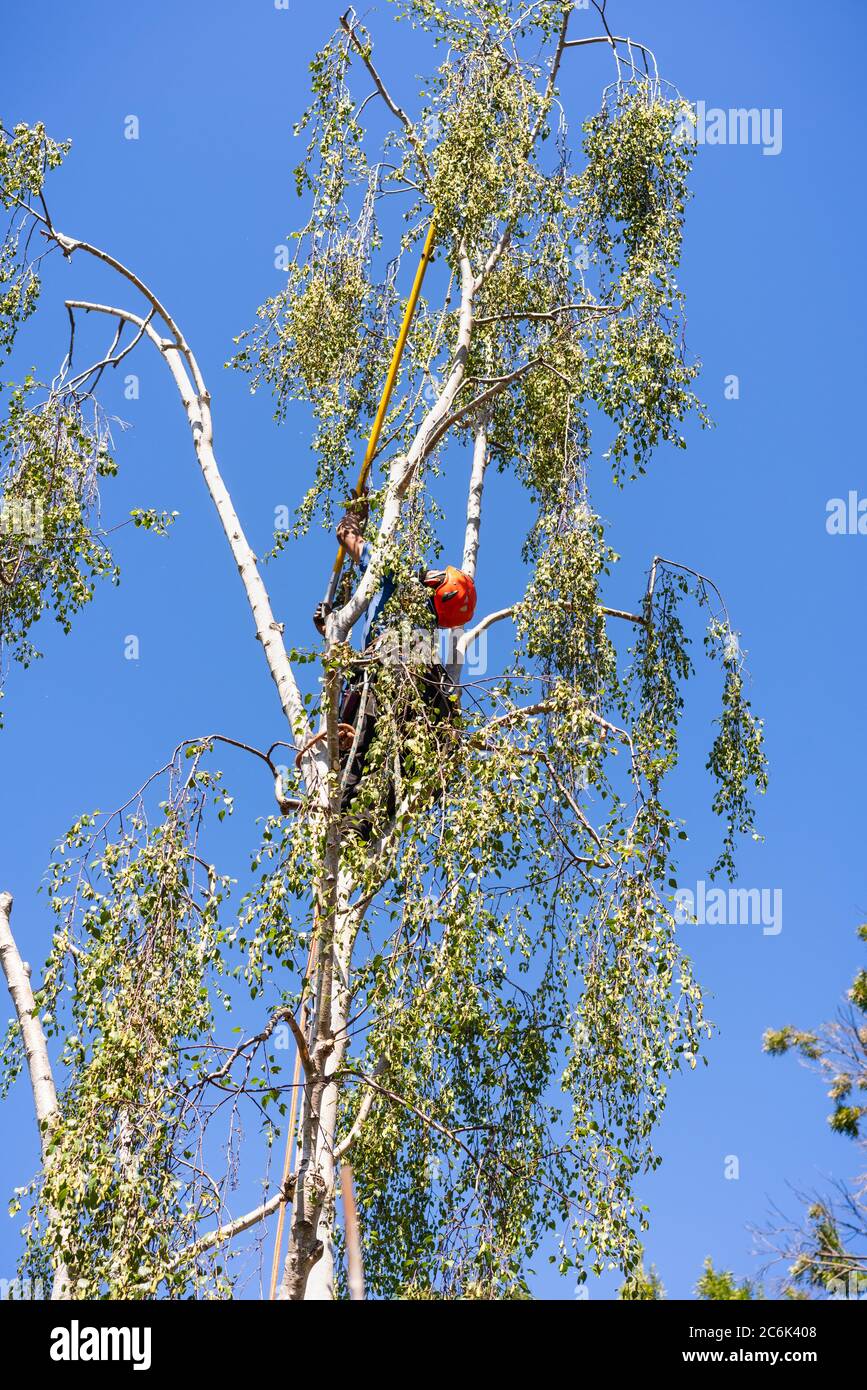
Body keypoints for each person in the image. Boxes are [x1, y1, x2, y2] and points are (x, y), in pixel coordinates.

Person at [328, 505, 477, 833]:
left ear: (438, 583)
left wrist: (353, 521)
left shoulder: (401, 574)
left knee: (361, 749)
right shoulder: (430, 639)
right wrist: (333, 625)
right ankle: (360, 830)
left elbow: (348, 537)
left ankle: (348, 829)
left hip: (383, 676)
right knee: (384, 760)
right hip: (402, 689)